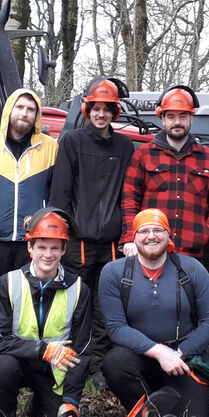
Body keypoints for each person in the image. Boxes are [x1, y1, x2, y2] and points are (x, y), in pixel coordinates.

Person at [0, 209, 92, 417]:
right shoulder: (8, 282)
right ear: (30, 248)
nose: (47, 254)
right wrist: (42, 349)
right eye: (41, 247)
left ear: (63, 249)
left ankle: (42, 405)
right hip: (18, 360)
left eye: (54, 248)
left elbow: (82, 350)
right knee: (2, 366)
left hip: (54, 370)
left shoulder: (79, 288)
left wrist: (71, 400)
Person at [98, 208, 209, 417]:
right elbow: (116, 327)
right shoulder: (114, 272)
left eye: (158, 230)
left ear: (168, 235)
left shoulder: (191, 269)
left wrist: (179, 352)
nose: (151, 236)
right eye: (144, 231)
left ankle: (163, 411)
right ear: (134, 237)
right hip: (138, 357)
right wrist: (159, 352)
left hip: (182, 358)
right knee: (115, 362)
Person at [49, 76, 133, 379]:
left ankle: (98, 368)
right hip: (77, 241)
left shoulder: (125, 146)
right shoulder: (72, 141)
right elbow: (61, 191)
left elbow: (128, 194)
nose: (101, 114)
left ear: (114, 112)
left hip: (111, 243)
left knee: (105, 306)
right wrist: (62, 232)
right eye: (96, 108)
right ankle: (73, 363)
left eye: (107, 109)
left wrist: (127, 234)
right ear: (88, 110)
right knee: (74, 304)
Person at [0, 88, 59, 357]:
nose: (24, 113)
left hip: (33, 240)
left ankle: (26, 353)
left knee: (29, 298)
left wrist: (43, 217)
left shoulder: (50, 147)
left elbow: (57, 189)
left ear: (36, 115)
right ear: (9, 111)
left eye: (31, 109)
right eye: (20, 107)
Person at [121, 84, 209, 281]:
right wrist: (131, 237)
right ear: (162, 118)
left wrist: (208, 232)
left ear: (192, 117)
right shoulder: (143, 155)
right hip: (150, 254)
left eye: (183, 116)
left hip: (194, 257)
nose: (177, 122)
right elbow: (130, 199)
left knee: (191, 309)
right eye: (171, 116)